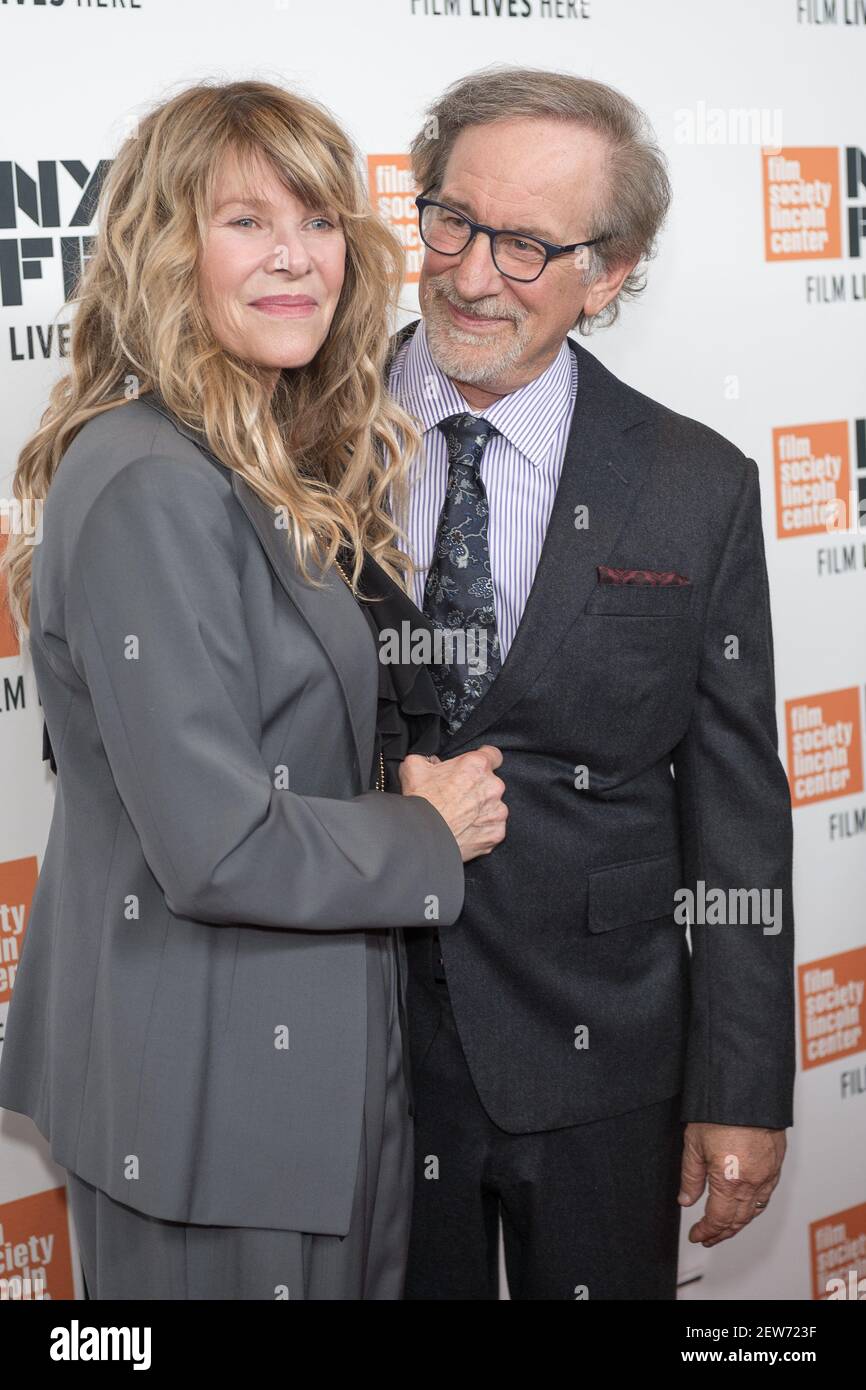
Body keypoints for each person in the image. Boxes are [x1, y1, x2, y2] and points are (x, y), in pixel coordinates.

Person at [0, 78, 508, 1301]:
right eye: (245, 221)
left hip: (295, 1079)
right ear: (165, 250)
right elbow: (216, 843)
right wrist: (425, 830)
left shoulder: (250, 454)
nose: (296, 256)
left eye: (319, 219)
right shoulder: (148, 481)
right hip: (211, 1109)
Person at [386, 66, 796, 1300]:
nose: (470, 275)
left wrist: (740, 1084)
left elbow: (733, 807)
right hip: (361, 1044)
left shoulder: (691, 484)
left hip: (603, 1056)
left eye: (524, 246)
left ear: (607, 273)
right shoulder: (293, 436)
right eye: (452, 221)